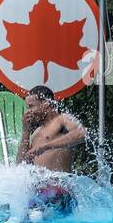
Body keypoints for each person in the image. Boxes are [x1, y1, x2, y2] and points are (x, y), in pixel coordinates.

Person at [17, 85, 88, 214]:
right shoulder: (36, 133)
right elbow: (20, 163)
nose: (29, 112)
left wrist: (46, 146)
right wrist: (26, 131)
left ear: (46, 103)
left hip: (59, 188)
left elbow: (82, 133)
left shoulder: (62, 119)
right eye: (28, 108)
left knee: (35, 219)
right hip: (39, 191)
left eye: (32, 106)